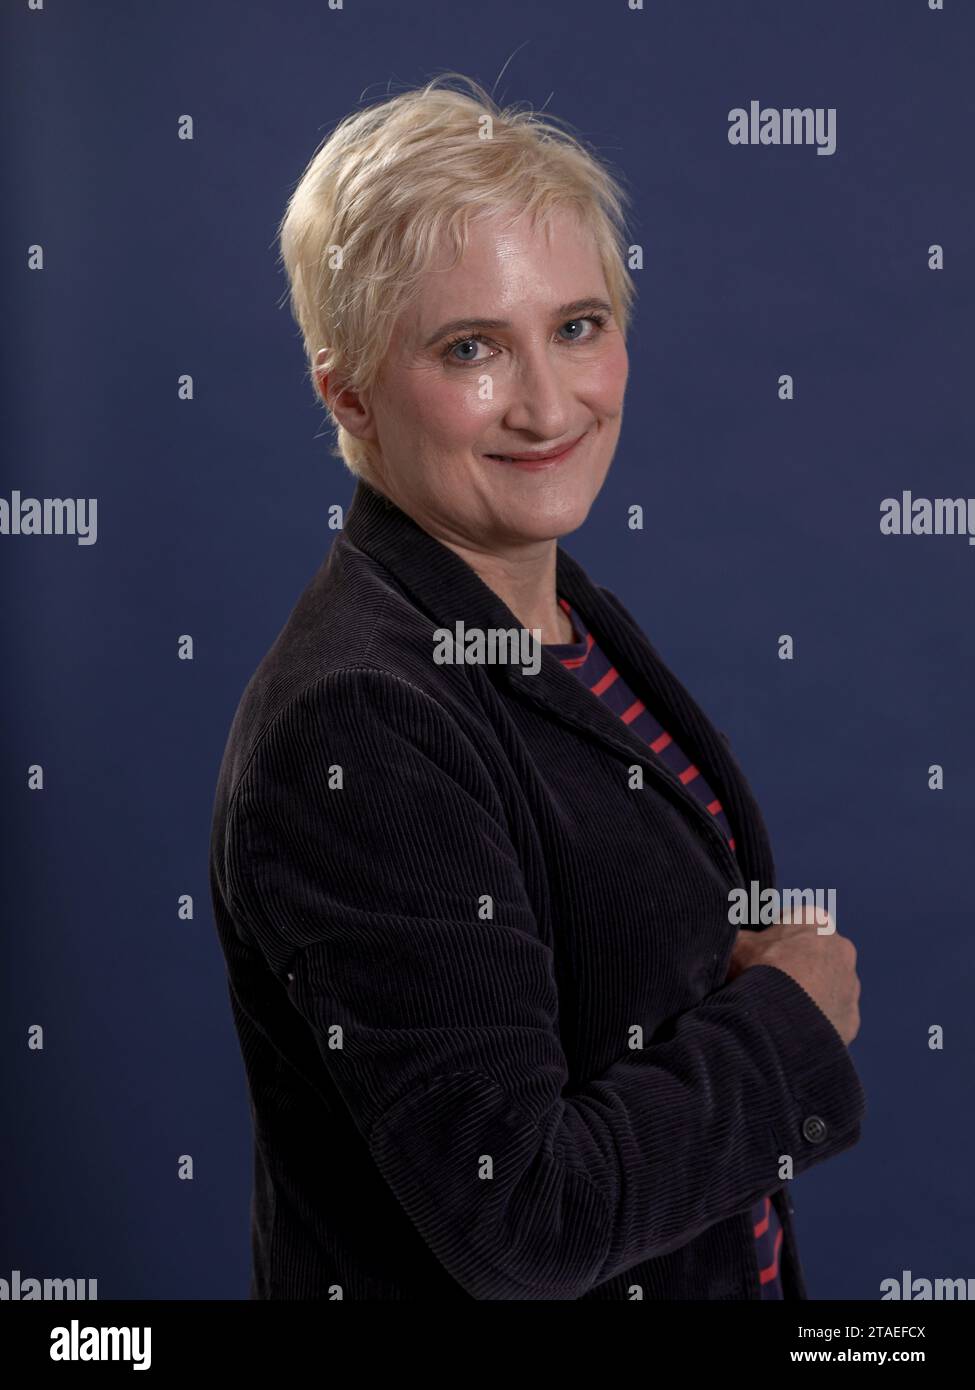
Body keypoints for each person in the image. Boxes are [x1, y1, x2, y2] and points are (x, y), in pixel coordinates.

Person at [208, 72, 864, 1301]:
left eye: (578, 325)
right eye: (471, 349)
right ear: (346, 390)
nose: (550, 403)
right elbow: (522, 1214)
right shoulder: (357, 721)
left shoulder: (555, 612)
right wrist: (789, 1025)